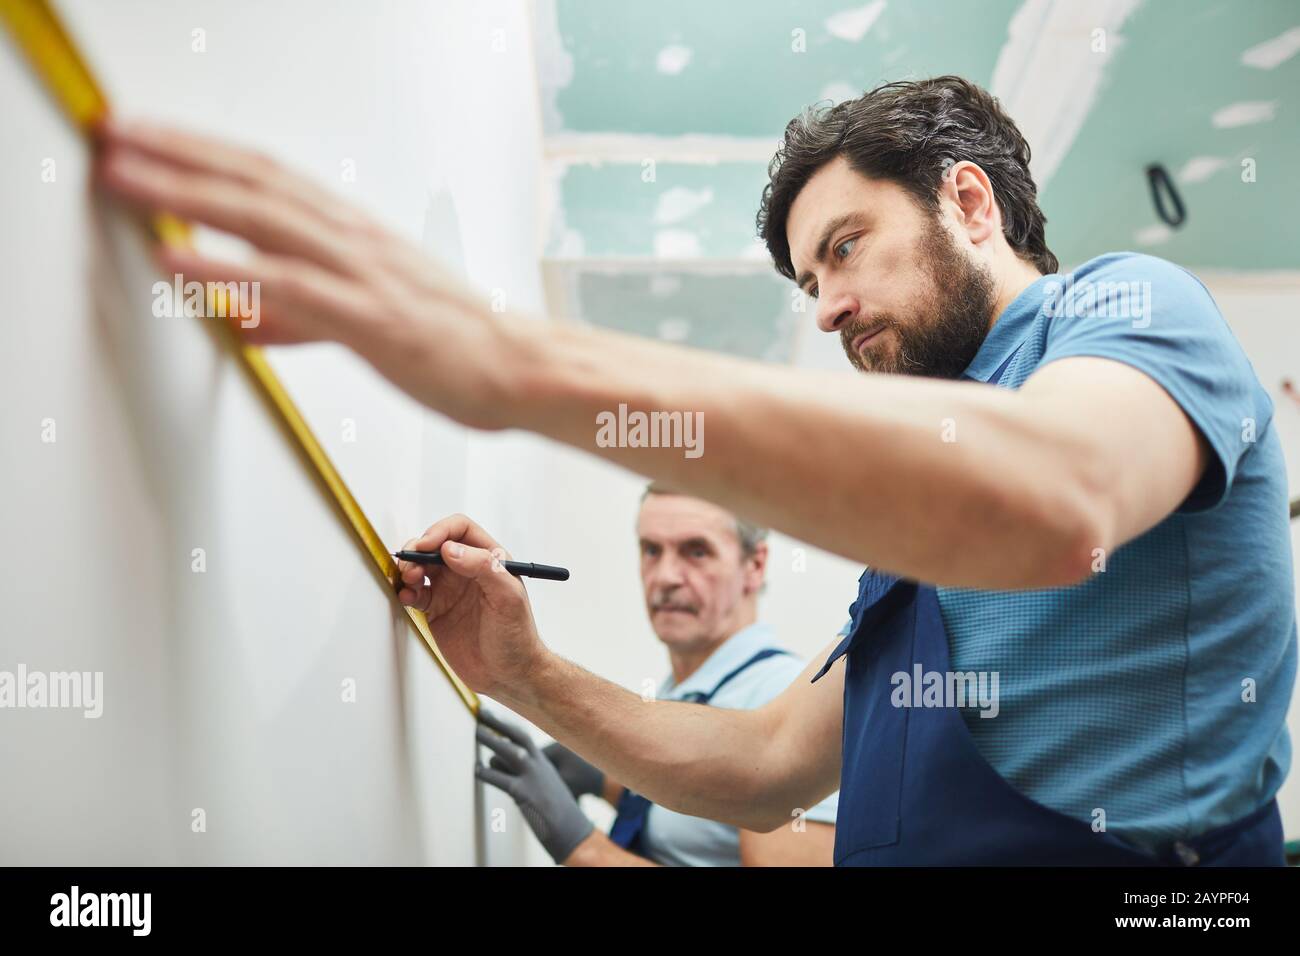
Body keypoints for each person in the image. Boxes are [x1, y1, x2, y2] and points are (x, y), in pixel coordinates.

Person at [97, 75, 1295, 865]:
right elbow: (767, 767)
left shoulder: (1134, 309)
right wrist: (523, 669)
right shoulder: (929, 498)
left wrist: (507, 360)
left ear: (968, 202)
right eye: (806, 282)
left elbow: (1057, 498)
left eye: (841, 250)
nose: (824, 310)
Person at [474, 485, 837, 866]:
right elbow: (706, 829)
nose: (665, 577)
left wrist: (581, 846)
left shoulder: (785, 701)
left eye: (696, 551)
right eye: (651, 550)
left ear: (755, 565)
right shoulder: (685, 691)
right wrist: (613, 785)